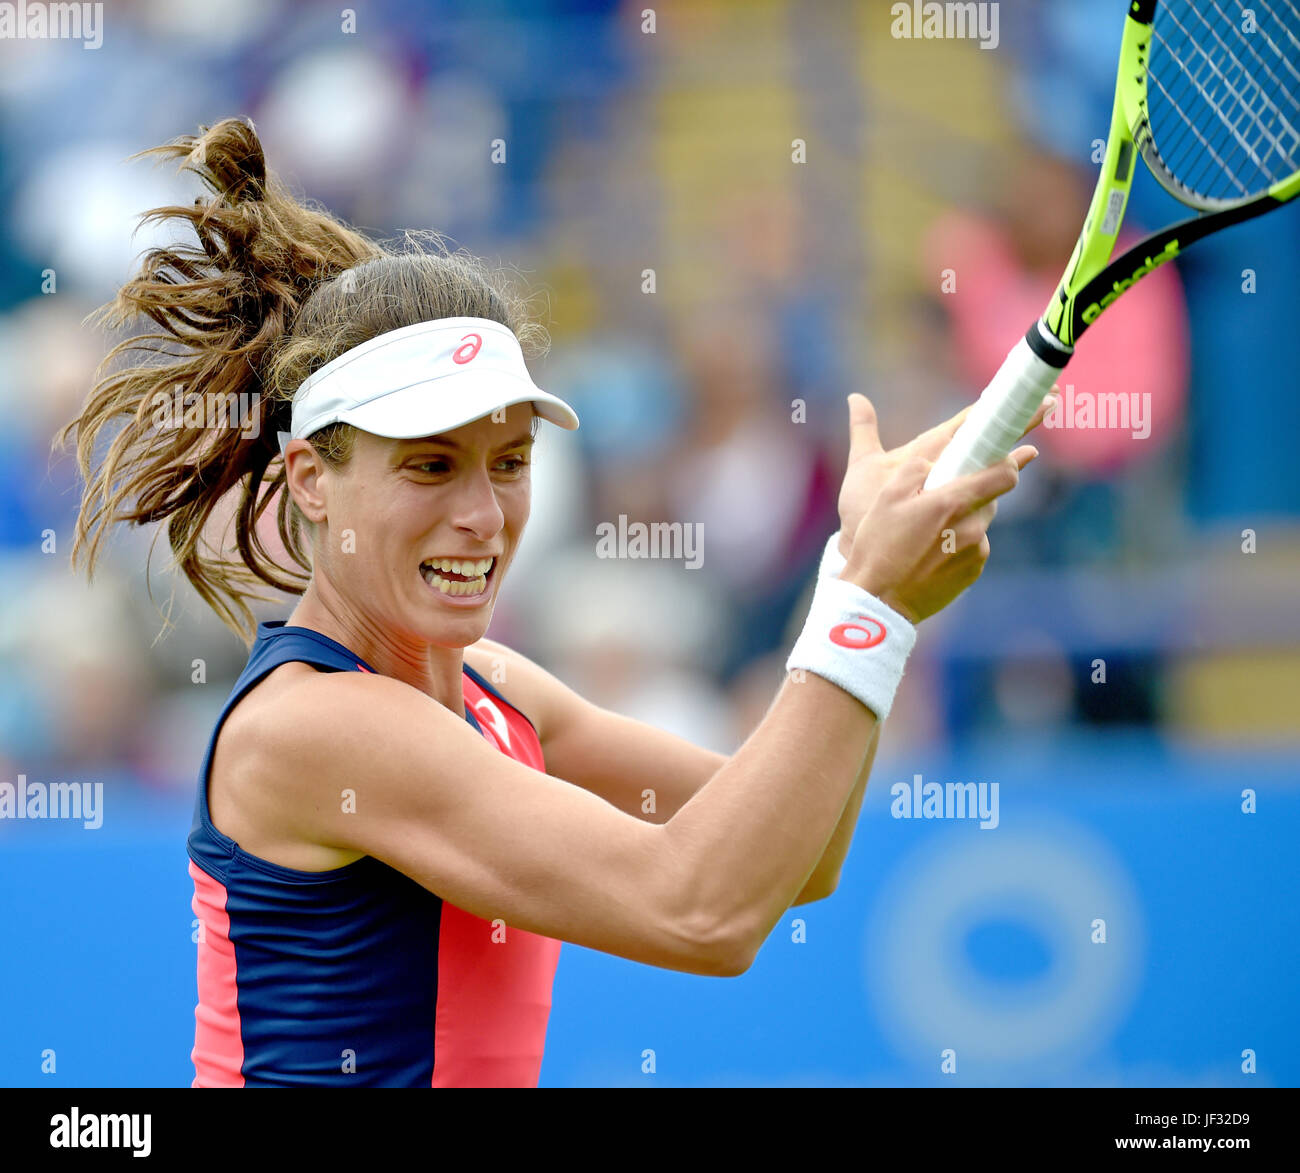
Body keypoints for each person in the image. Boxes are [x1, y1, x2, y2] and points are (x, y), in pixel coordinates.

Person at [59, 118, 1047, 1088]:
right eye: (432, 466)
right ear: (313, 480)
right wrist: (869, 604)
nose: (482, 515)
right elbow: (700, 909)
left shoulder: (494, 688)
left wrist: (853, 571)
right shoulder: (316, 729)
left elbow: (795, 857)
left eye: (510, 463)